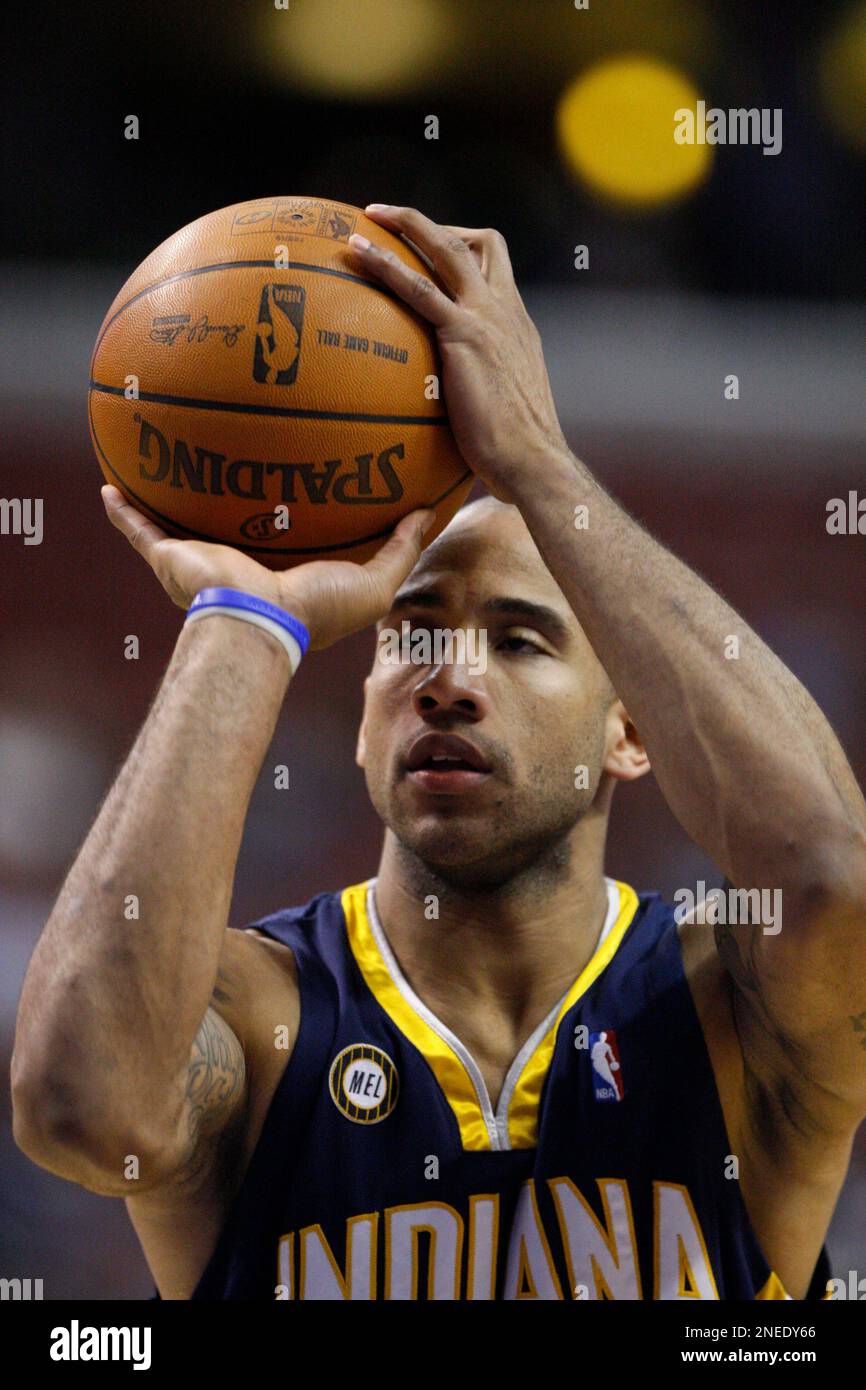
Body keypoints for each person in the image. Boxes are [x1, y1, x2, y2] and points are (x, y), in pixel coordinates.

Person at [12, 206, 866, 1301]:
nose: (447, 677)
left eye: (519, 639)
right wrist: (243, 620)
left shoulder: (721, 1011)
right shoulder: (261, 1014)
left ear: (631, 729)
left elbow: (832, 875)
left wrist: (536, 461)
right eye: (409, 633)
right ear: (364, 711)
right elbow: (79, 1108)